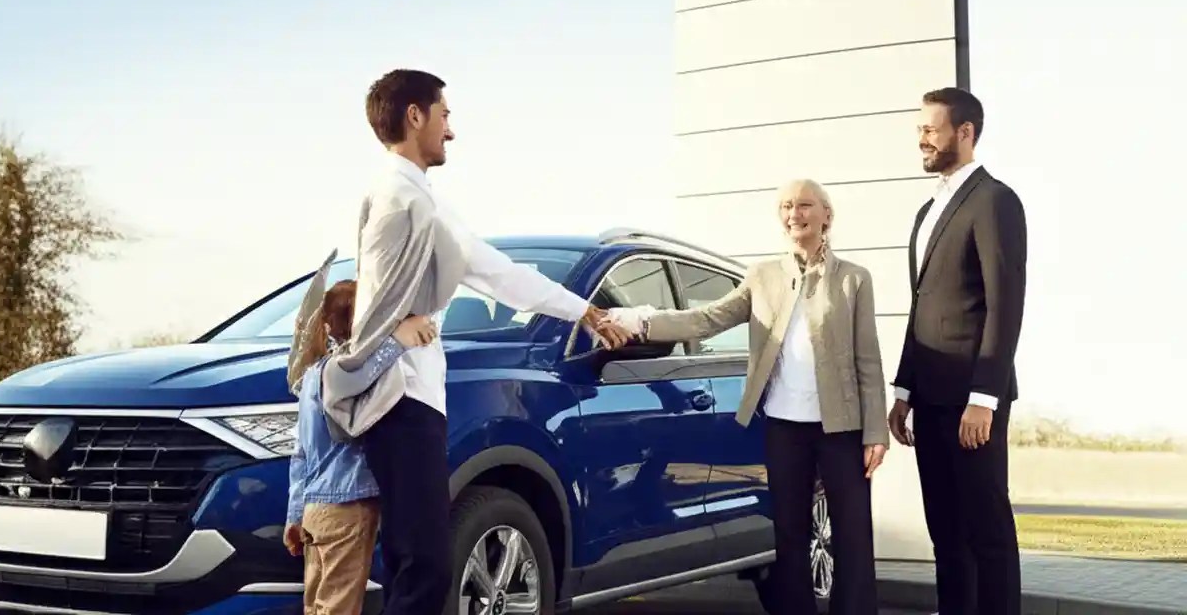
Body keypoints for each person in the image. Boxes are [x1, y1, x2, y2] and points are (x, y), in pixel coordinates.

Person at [324, 69, 623, 615]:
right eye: (444, 115)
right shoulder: (402, 199)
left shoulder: (414, 198)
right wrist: (394, 334)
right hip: (400, 400)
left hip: (411, 398)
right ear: (414, 115)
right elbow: (377, 305)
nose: (450, 130)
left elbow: (496, 272)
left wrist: (584, 311)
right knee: (425, 565)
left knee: (416, 561)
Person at [602, 179, 889, 615]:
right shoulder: (763, 276)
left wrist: (876, 431)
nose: (794, 214)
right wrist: (642, 323)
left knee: (852, 537)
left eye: (804, 205)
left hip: (842, 428)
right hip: (783, 426)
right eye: (787, 206)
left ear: (826, 215)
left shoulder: (853, 279)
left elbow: (867, 357)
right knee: (790, 536)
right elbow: (706, 319)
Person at [888, 87, 1027, 615]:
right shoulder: (927, 211)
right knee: (945, 534)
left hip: (973, 402)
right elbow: (921, 307)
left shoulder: (995, 201)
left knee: (987, 533)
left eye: (931, 128)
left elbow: (1005, 304)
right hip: (929, 399)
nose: (921, 138)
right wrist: (903, 390)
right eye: (919, 129)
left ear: (964, 132)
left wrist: (984, 398)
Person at [283, 279, 438, 615]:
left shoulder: (310, 377)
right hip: (347, 508)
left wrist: (294, 514)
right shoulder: (342, 372)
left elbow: (300, 453)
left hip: (315, 510)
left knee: (317, 606)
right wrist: (401, 337)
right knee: (339, 607)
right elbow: (372, 368)